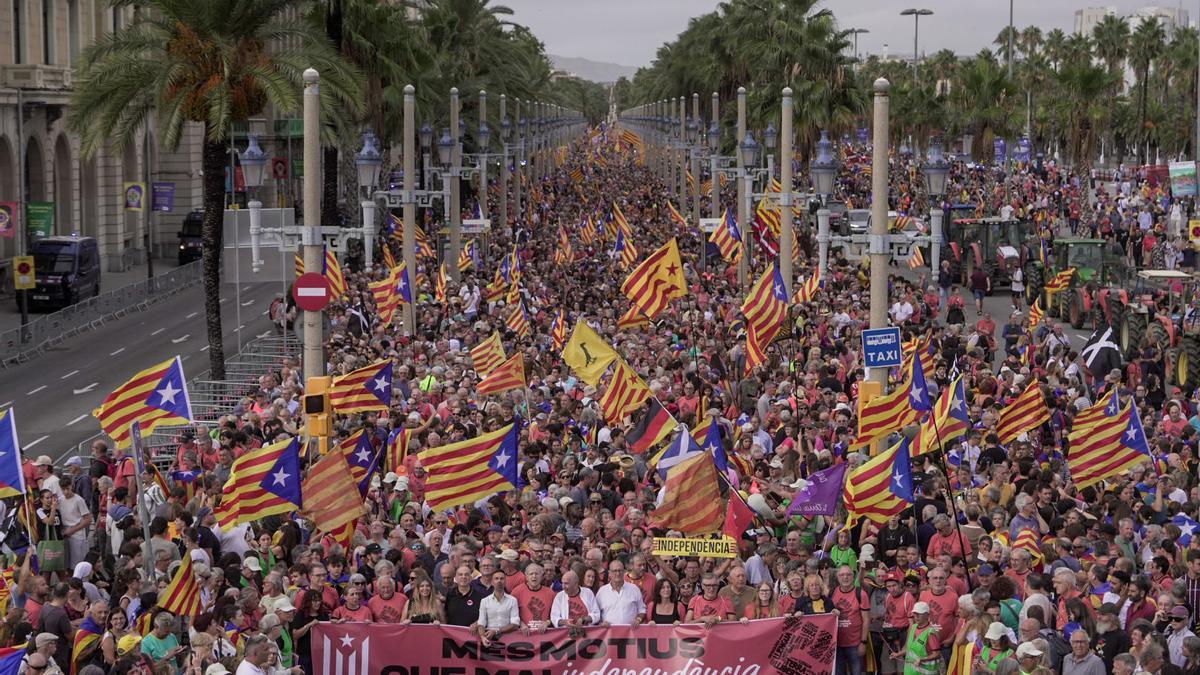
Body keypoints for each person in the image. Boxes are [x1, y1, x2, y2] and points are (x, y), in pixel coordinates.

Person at [595, 560, 645, 626]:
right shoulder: (602, 592)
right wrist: (601, 623)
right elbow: (596, 613)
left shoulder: (634, 589)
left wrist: (638, 620)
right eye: (614, 571)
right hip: (609, 633)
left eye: (620, 570)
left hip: (631, 633)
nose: (618, 573)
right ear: (609, 573)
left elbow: (642, 609)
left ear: (624, 572)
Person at [476, 571, 519, 647]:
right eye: (496, 579)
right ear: (492, 582)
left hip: (509, 642)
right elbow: (481, 622)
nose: (499, 581)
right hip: (489, 639)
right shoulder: (484, 601)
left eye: (502, 579)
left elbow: (515, 624)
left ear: (505, 582)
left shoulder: (513, 600)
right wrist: (482, 637)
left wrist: (496, 630)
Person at [898, 602, 940, 675]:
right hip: (910, 672)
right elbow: (910, 650)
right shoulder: (913, 627)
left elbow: (936, 654)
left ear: (927, 615)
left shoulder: (930, 632)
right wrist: (897, 654)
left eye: (919, 614)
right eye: (914, 613)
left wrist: (922, 659)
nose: (916, 616)